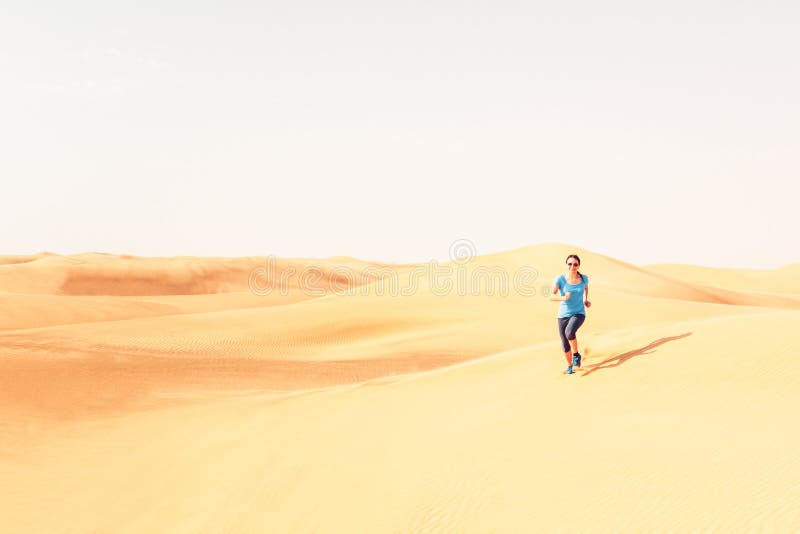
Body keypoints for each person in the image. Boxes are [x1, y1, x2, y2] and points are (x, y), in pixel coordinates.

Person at [549, 254, 591, 375]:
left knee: (569, 332)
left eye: (575, 264)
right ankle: (569, 367)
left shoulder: (584, 279)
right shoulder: (560, 279)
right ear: (566, 265)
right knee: (564, 342)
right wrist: (563, 297)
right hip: (563, 315)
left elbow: (586, 288)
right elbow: (551, 296)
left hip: (579, 313)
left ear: (579, 266)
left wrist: (585, 300)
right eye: (570, 264)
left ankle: (576, 354)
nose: (572, 266)